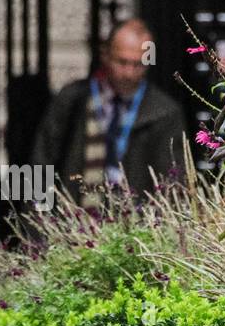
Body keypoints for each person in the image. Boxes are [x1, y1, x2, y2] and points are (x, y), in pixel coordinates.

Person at [30, 17, 188, 210]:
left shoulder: (164, 112)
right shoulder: (73, 101)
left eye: (138, 64)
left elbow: (175, 181)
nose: (129, 73)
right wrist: (37, 226)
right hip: (75, 223)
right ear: (106, 55)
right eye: (122, 62)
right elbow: (41, 165)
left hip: (136, 230)